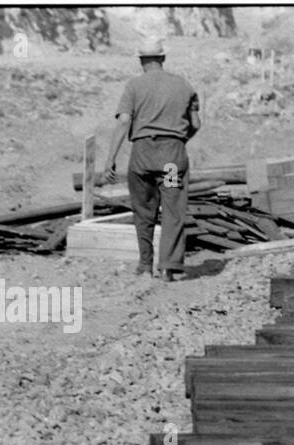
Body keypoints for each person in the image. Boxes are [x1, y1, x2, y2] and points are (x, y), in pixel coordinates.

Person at [103, 38, 200, 282]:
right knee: (172, 209)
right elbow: (196, 123)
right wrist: (178, 141)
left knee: (143, 210)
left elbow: (124, 121)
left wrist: (110, 159)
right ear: (163, 58)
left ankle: (145, 265)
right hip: (170, 160)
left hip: (143, 157)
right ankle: (168, 267)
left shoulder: (134, 86)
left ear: (141, 61)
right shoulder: (183, 85)